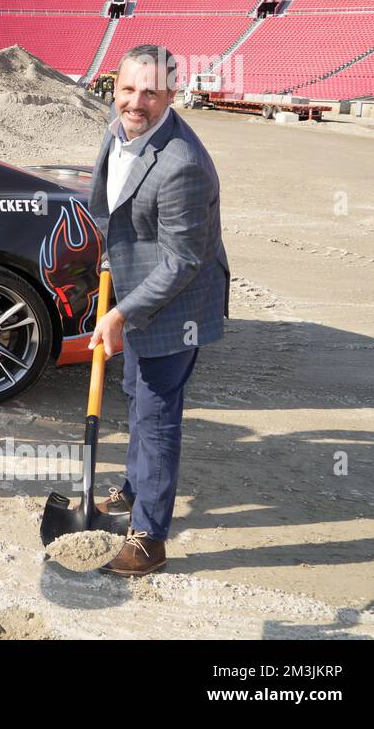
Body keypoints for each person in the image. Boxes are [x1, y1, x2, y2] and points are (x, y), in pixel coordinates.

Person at [88, 45, 230, 576]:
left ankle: (149, 536)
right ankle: (131, 489)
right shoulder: (118, 127)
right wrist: (108, 261)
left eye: (151, 92)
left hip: (176, 307)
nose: (136, 101)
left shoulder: (182, 164)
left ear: (172, 94)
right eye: (128, 89)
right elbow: (109, 200)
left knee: (155, 412)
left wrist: (122, 312)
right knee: (136, 396)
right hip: (134, 286)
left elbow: (182, 261)